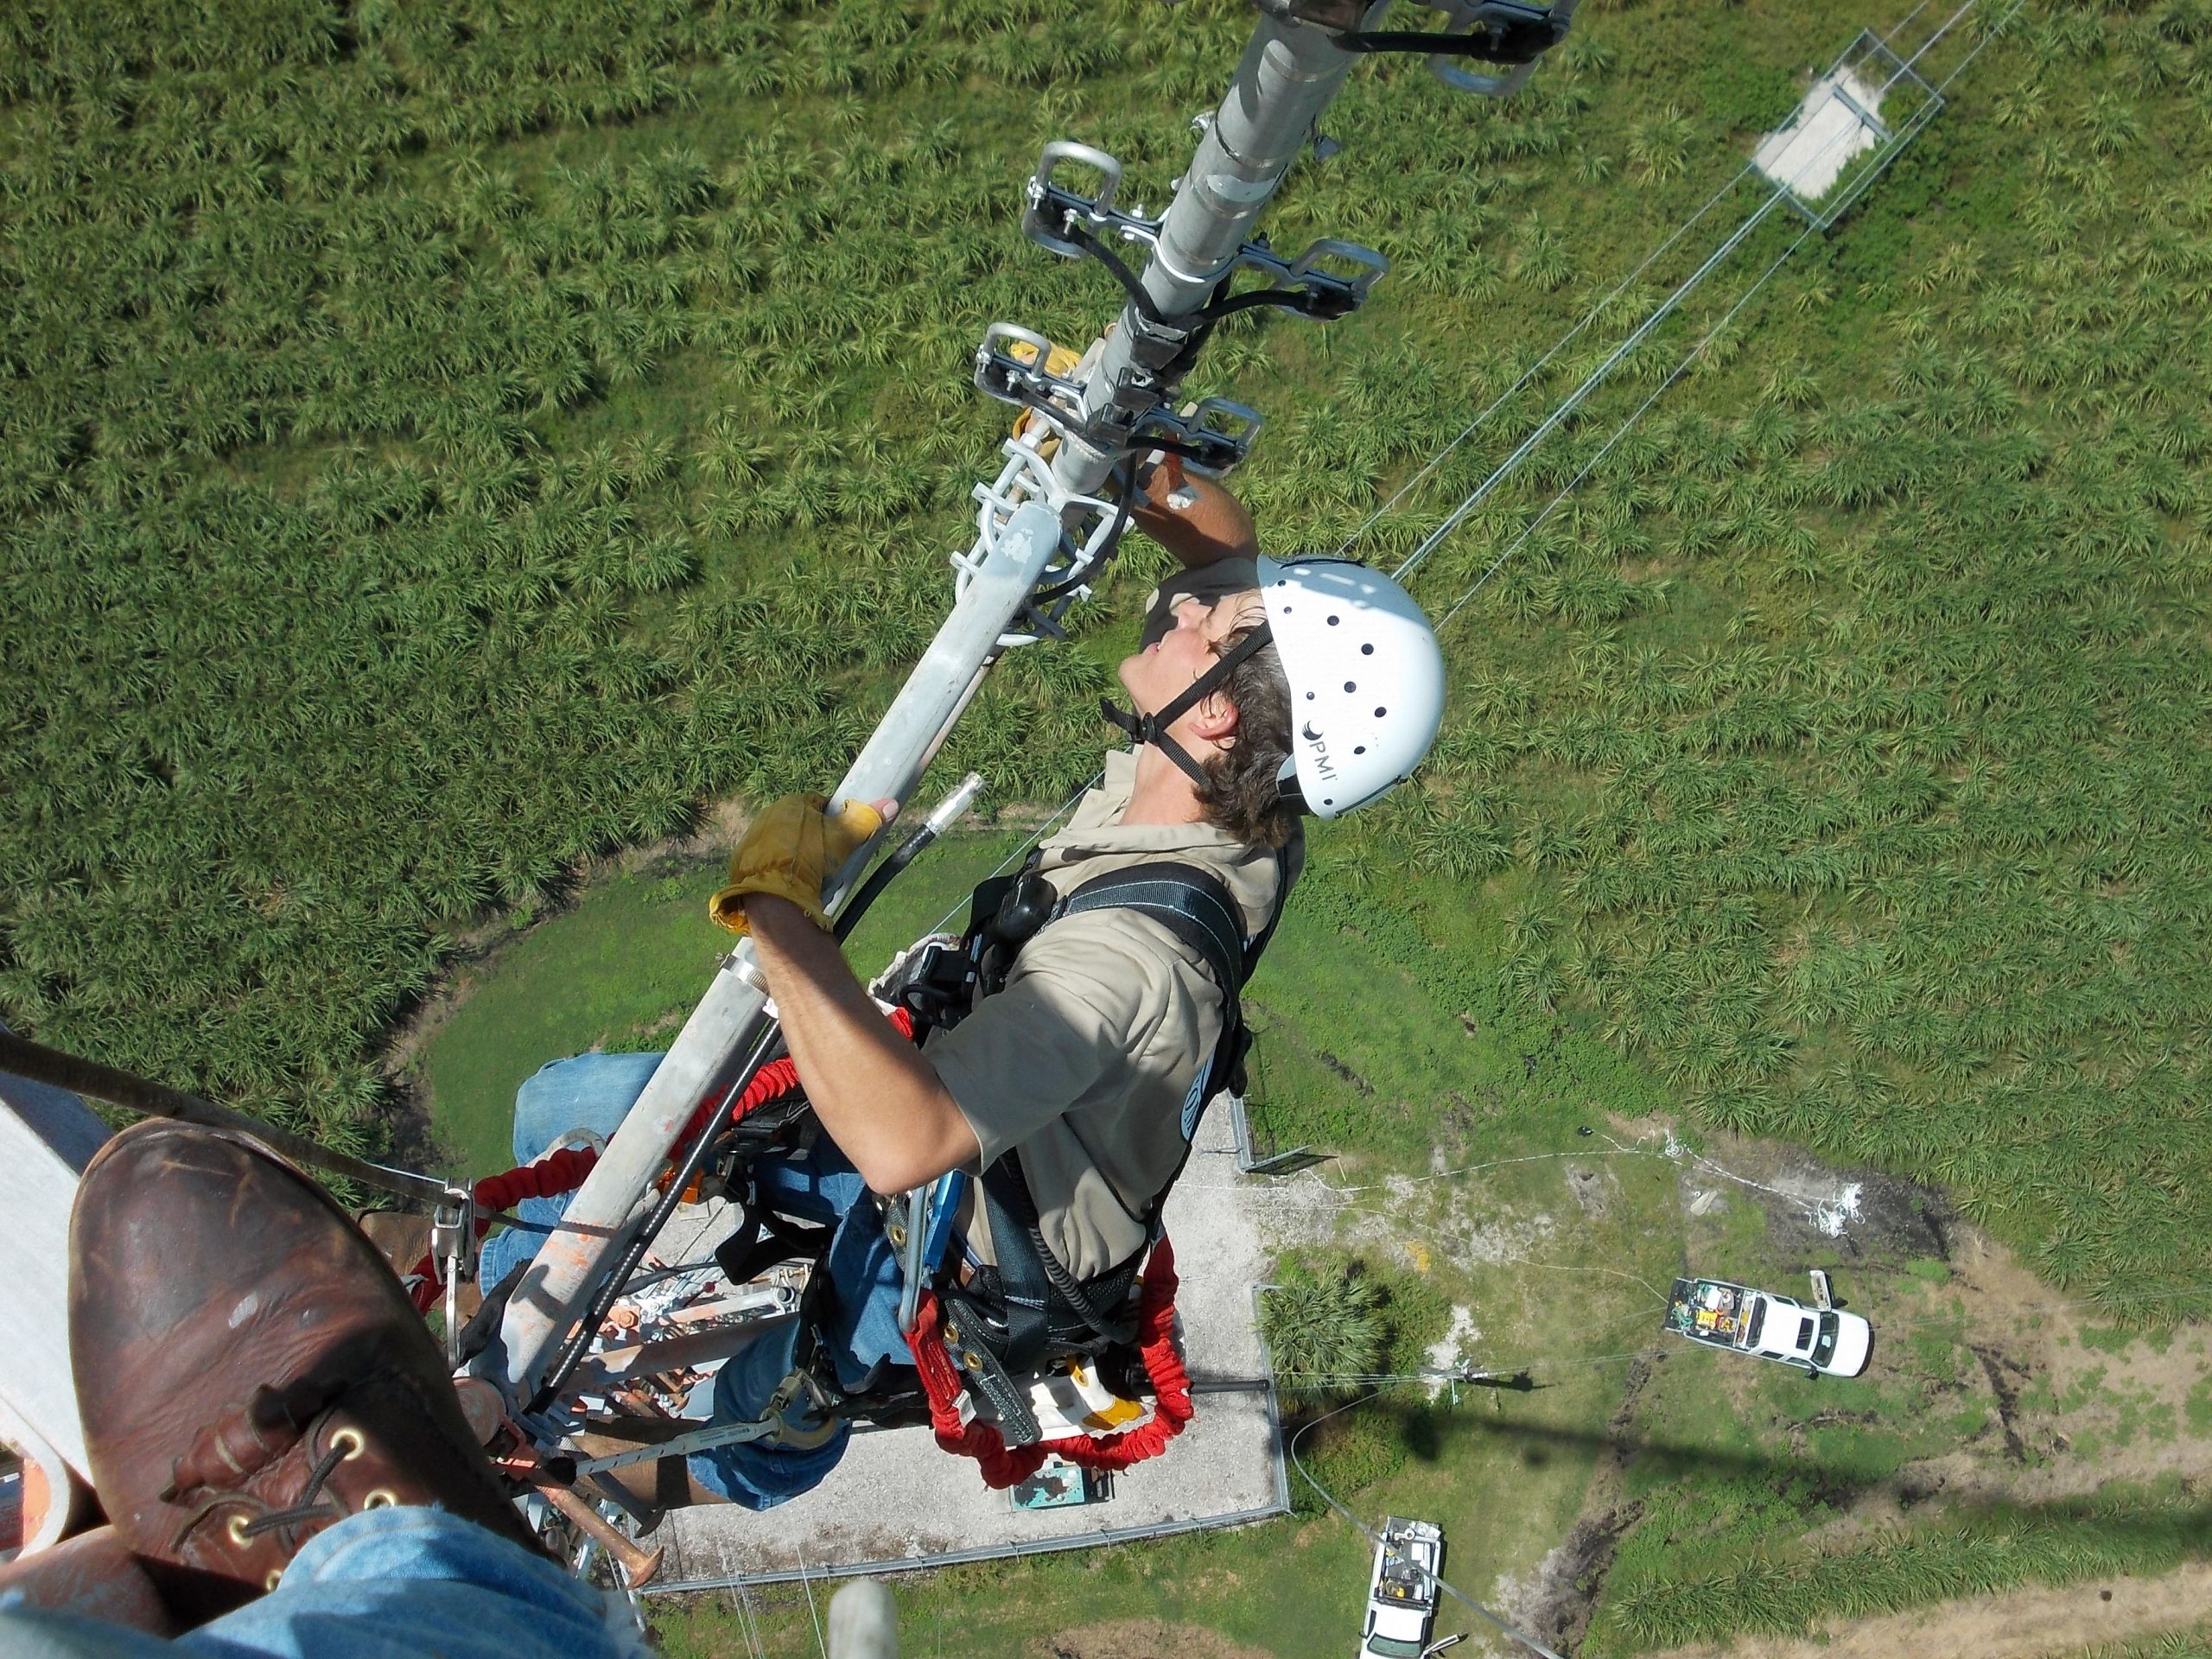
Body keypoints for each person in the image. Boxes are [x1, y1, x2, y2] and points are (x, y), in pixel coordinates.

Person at [478, 455, 1447, 1508]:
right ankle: (492, 1338)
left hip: (974, 1232)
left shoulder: (1132, 961)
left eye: (1201, 630)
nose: (1178, 613)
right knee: (557, 1110)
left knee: (793, 1388)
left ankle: (667, 1474)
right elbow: (1221, 550)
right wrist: (1130, 465)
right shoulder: (1215, 791)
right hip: (969, 1095)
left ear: (1218, 714)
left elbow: (904, 1145)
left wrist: (776, 913)